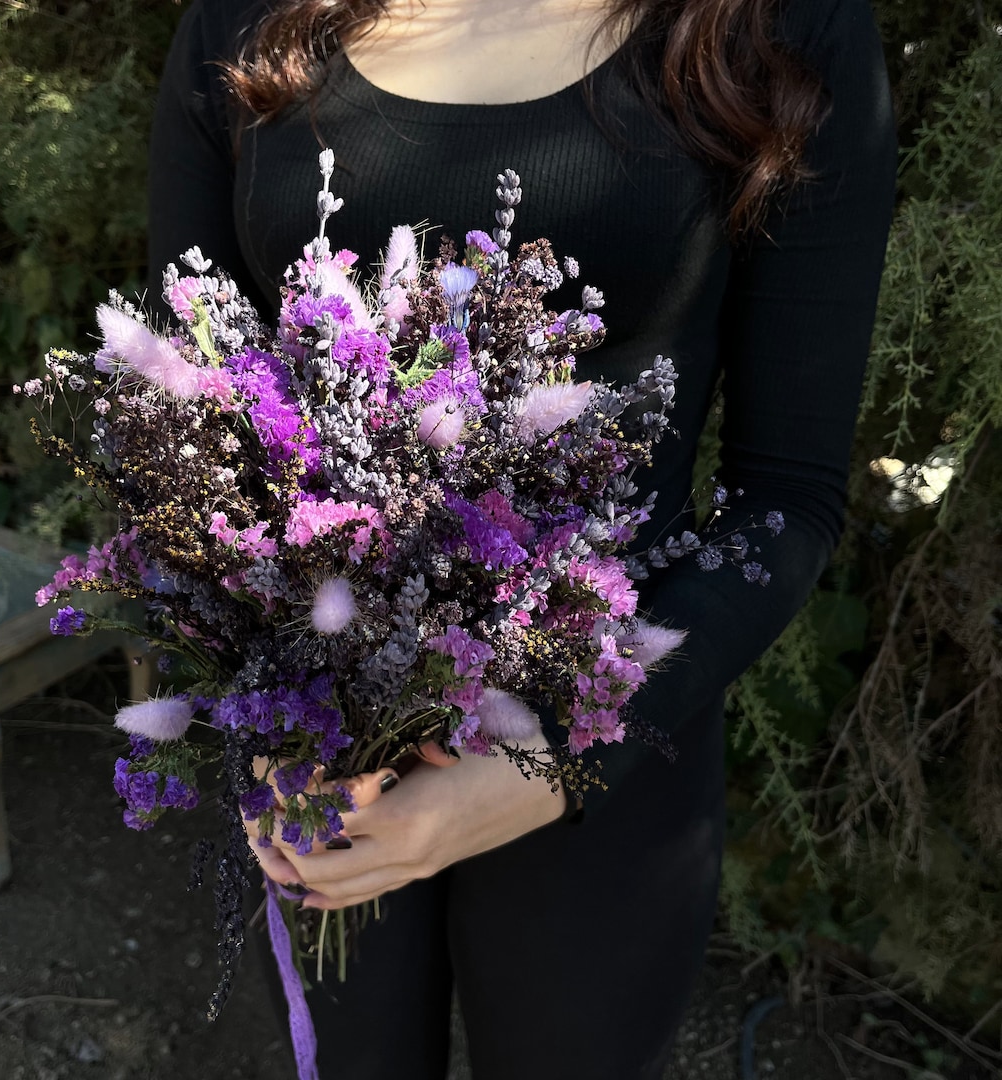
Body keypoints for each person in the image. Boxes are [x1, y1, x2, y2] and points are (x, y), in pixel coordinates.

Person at [147, 0, 896, 1075]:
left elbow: (785, 495)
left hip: (607, 748)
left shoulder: (780, 29)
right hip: (315, 732)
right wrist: (256, 681)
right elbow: (187, 401)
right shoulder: (246, 20)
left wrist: (549, 760)